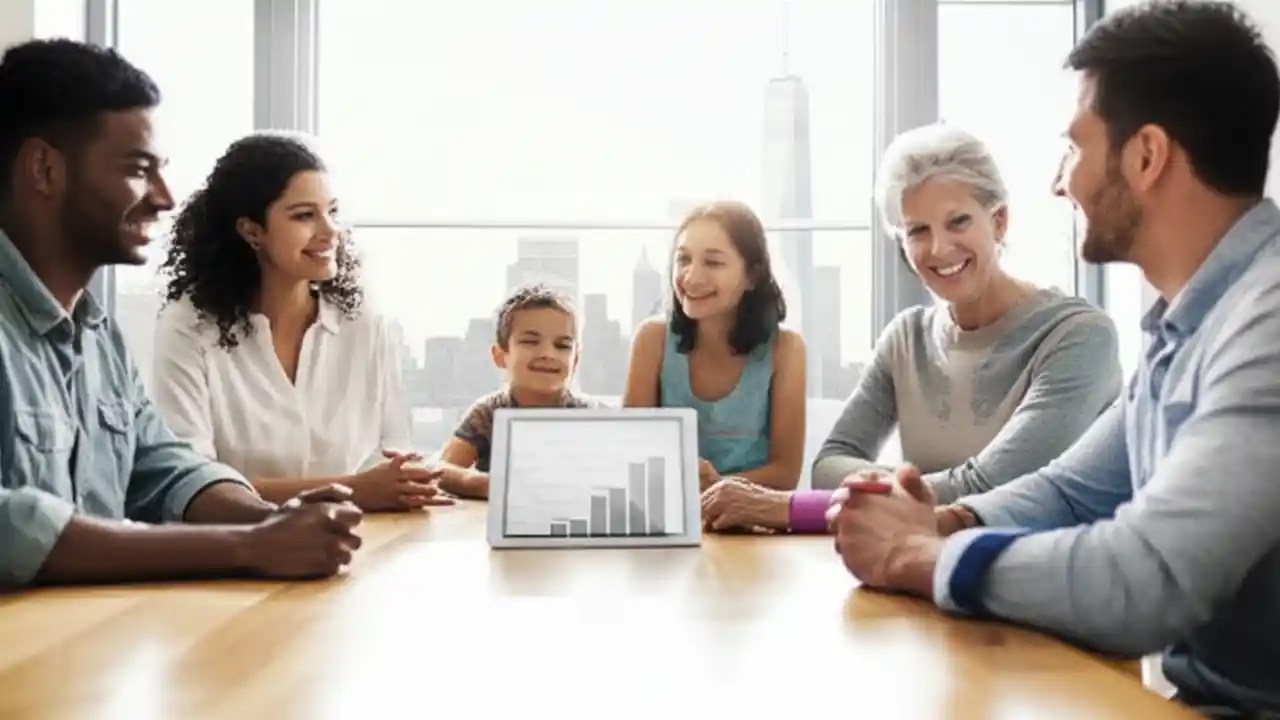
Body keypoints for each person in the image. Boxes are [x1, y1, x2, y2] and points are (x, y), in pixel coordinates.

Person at [829, 2, 1280, 714]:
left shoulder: (1268, 324)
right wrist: (944, 523)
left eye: (1074, 147)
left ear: (1146, 156)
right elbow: (1074, 490)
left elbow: (1146, 578)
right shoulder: (1188, 326)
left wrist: (919, 557)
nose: (1058, 182)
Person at [0, 39, 362, 587]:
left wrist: (271, 519)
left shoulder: (98, 336)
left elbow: (161, 465)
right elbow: (11, 523)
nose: (165, 197)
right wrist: (247, 546)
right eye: (139, 169)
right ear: (44, 169)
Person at [702, 125, 1121, 532]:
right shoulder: (906, 338)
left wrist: (791, 509)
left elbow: (992, 489)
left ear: (999, 221)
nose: (939, 248)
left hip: (1049, 587)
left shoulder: (1078, 337)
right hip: (927, 576)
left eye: (958, 221)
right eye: (917, 230)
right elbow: (830, 463)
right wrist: (910, 492)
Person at [151, 132, 448, 513]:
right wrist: (355, 489)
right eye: (305, 216)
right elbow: (191, 483)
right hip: (238, 552)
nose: (330, 232)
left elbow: (394, 454)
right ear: (251, 231)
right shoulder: (188, 327)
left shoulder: (364, 322)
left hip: (360, 539)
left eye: (333, 212)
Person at [624, 201, 806, 492]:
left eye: (713, 262)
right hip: (669, 510)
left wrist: (720, 486)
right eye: (683, 259)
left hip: (752, 520)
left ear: (752, 275)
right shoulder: (652, 339)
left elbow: (785, 474)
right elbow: (631, 453)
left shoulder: (786, 349)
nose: (692, 278)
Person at [434, 284, 595, 499]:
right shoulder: (489, 413)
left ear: (575, 360)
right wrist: (487, 484)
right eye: (530, 341)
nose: (548, 353)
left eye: (562, 346)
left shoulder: (587, 415)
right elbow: (441, 470)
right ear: (500, 355)